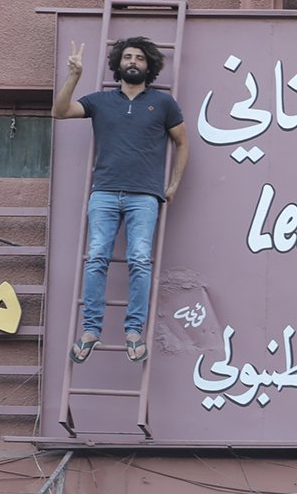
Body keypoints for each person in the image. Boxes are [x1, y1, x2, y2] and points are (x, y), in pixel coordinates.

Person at [52, 36, 190, 363]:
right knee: (97, 257)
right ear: (118, 63)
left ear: (149, 66)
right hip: (105, 192)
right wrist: (73, 75)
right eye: (127, 57)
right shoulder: (101, 101)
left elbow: (183, 143)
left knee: (140, 260)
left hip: (145, 196)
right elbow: (59, 112)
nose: (132, 62)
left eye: (139, 58)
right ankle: (90, 331)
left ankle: (133, 332)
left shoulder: (164, 103)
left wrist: (173, 185)